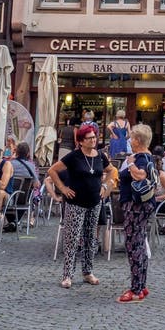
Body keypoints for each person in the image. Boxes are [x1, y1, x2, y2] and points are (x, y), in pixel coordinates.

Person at [47, 123, 114, 289]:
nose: (93, 140)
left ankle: (88, 272)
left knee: (91, 239)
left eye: (94, 137)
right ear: (81, 141)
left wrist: (105, 186)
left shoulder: (100, 155)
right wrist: (62, 188)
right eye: (89, 138)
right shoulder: (74, 156)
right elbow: (52, 171)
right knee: (72, 238)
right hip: (75, 203)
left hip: (94, 202)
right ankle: (67, 275)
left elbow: (112, 171)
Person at [117, 123, 156, 303]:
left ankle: (135, 289)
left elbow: (140, 175)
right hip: (140, 206)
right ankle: (141, 285)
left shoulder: (140, 158)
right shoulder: (148, 157)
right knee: (139, 244)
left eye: (131, 138)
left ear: (138, 140)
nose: (129, 141)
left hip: (135, 206)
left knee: (134, 246)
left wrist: (130, 165)